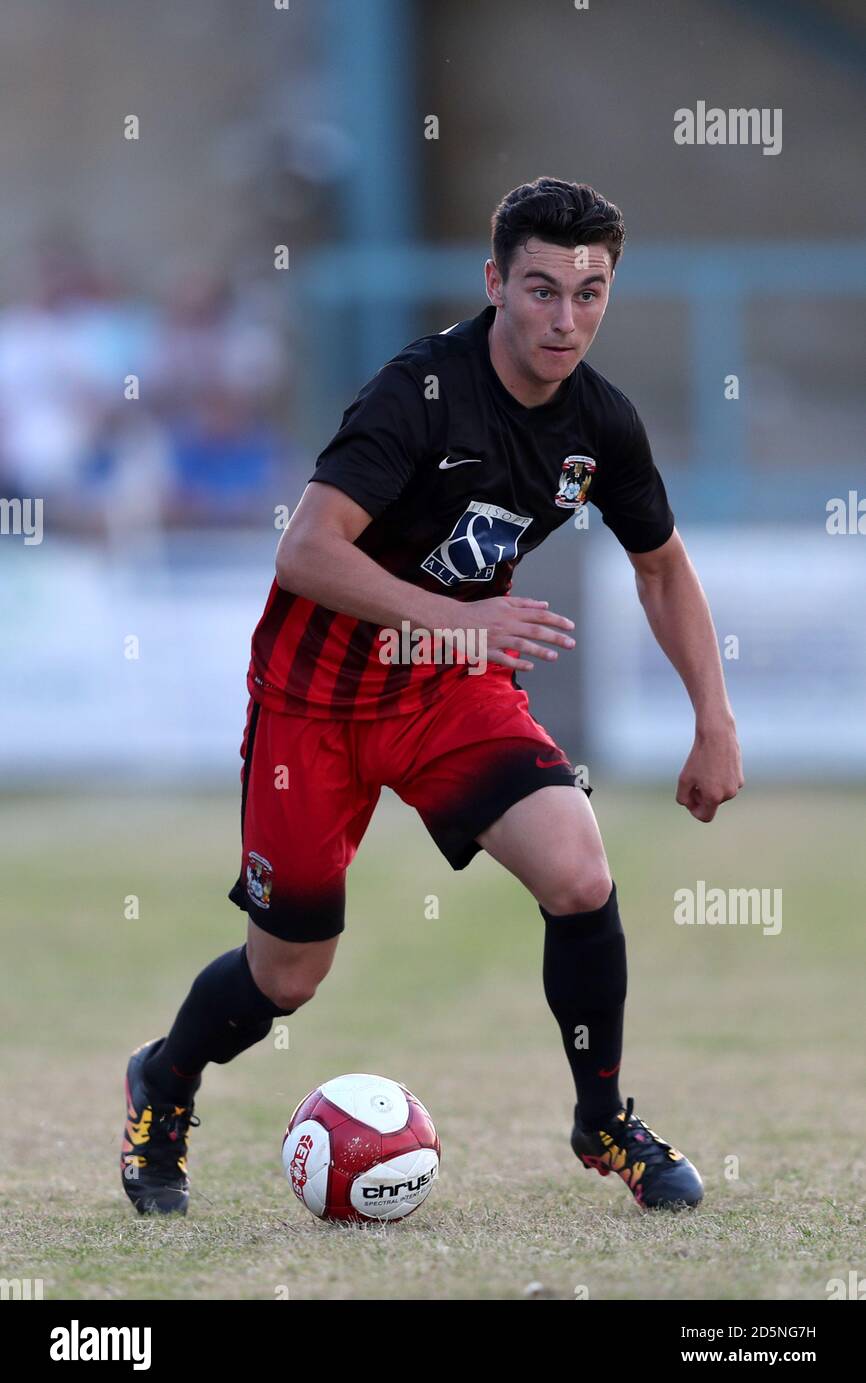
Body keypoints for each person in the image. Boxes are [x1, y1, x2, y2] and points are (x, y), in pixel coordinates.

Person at [121, 178, 743, 1216]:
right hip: (311, 703)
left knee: (578, 872)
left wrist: (712, 720)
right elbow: (308, 549)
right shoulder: (415, 394)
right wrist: (459, 618)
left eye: (589, 293)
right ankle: (164, 1081)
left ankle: (601, 1121)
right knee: (287, 978)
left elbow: (662, 567)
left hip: (445, 692)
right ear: (493, 282)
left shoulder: (599, 424)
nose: (564, 318)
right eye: (540, 290)